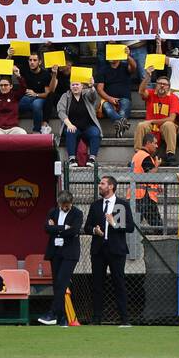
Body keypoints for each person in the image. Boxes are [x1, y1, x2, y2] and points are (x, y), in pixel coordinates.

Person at [83, 175, 134, 326]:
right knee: (97, 284)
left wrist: (114, 223)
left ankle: (124, 319)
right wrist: (94, 230)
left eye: (103, 183)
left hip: (116, 250)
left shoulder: (122, 205)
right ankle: (96, 318)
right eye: (100, 183)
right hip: (98, 250)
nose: (100, 185)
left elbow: (130, 227)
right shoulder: (96, 205)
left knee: (119, 283)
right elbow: (87, 227)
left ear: (111, 186)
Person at [37, 189, 82, 326]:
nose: (65, 207)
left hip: (69, 253)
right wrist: (63, 227)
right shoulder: (53, 212)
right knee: (57, 284)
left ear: (71, 202)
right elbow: (46, 228)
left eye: (67, 205)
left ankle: (52, 313)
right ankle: (61, 318)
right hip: (55, 252)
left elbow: (74, 230)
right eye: (62, 205)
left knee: (62, 282)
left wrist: (56, 228)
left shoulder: (77, 213)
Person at [135, 70, 179, 163]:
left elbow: (172, 118)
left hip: (165, 129)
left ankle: (170, 155)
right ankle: (139, 154)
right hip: (151, 128)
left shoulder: (173, 98)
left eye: (165, 84)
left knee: (169, 124)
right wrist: (148, 77)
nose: (162, 85)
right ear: (156, 85)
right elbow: (141, 91)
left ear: (169, 87)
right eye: (160, 83)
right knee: (141, 125)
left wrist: (152, 121)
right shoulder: (151, 94)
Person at [57, 79, 102, 167]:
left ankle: (92, 159)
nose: (75, 87)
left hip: (87, 127)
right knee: (70, 131)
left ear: (82, 86)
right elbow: (61, 111)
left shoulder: (86, 94)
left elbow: (94, 97)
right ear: (70, 87)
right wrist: (69, 124)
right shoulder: (65, 96)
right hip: (73, 126)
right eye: (73, 85)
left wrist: (92, 86)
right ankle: (72, 159)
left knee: (95, 132)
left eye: (77, 84)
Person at [95, 45, 136, 137]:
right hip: (108, 100)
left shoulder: (125, 66)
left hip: (124, 98)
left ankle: (119, 128)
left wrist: (128, 56)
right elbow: (99, 89)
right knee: (107, 108)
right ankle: (122, 123)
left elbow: (133, 67)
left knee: (122, 111)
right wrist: (109, 99)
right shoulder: (103, 70)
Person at [131, 130, 164, 225]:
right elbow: (149, 175)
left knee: (137, 224)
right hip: (143, 196)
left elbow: (142, 173)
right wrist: (156, 165)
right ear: (148, 143)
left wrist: (156, 186)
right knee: (156, 225)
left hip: (139, 195)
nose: (157, 146)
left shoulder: (138, 155)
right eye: (155, 143)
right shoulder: (145, 156)